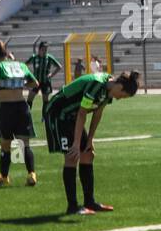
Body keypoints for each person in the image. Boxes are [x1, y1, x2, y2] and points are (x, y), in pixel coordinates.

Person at [43, 69, 140, 214]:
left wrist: (90, 139)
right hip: (59, 114)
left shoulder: (108, 90)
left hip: (73, 116)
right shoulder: (96, 84)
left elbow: (97, 113)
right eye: (122, 96)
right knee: (72, 156)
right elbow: (83, 112)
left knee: (88, 154)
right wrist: (76, 144)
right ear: (119, 87)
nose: (119, 98)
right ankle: (73, 207)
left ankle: (90, 202)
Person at [0, 41, 39, 186]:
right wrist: (20, 85)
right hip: (22, 107)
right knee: (24, 144)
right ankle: (31, 174)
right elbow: (35, 84)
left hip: (6, 108)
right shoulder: (21, 65)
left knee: (5, 144)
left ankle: (4, 177)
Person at [26, 41, 63, 111]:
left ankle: (45, 117)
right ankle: (27, 115)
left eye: (46, 49)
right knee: (30, 98)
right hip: (35, 81)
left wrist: (52, 74)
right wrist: (29, 76)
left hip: (46, 82)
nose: (45, 51)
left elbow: (59, 66)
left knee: (45, 100)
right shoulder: (34, 57)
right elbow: (24, 66)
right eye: (43, 49)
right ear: (39, 49)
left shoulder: (49, 58)